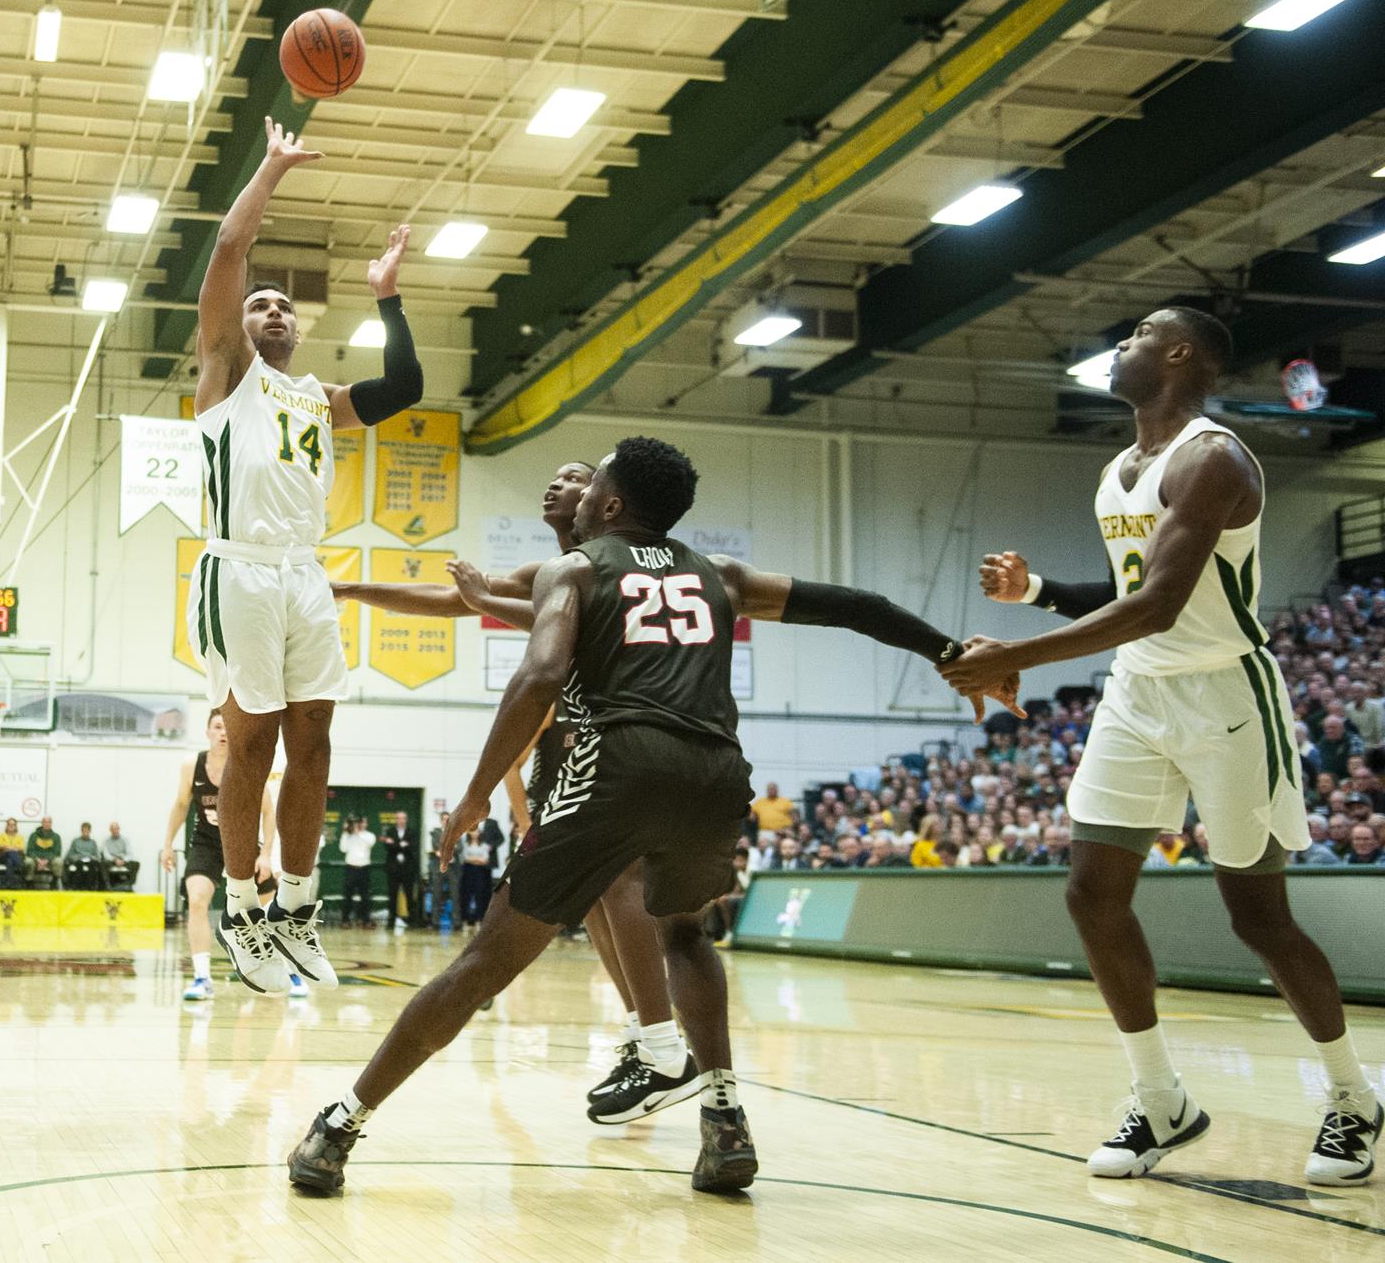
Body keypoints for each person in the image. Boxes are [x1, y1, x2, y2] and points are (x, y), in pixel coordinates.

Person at [289, 436, 1004, 1195]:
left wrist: (473, 795)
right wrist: (952, 651)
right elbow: (857, 607)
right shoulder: (721, 575)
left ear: (610, 503)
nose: (578, 487)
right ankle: (723, 1121)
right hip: (718, 773)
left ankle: (340, 1124)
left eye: (588, 480)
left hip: (620, 764)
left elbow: (538, 677)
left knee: (484, 962)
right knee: (688, 936)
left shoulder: (575, 568)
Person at [948, 307, 1382, 1185]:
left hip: (1226, 695)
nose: (1121, 345)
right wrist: (1034, 595)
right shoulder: (1120, 470)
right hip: (1137, 694)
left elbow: (1160, 605)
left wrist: (1013, 659)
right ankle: (1162, 1100)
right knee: (1089, 894)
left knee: (1258, 918)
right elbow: (1123, 596)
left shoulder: (1213, 459)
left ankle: (1351, 1099)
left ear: (1180, 354)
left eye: (1139, 334)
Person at [337, 460, 696, 1119]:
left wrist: (480, 601)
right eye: (552, 475)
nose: (556, 484)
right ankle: (646, 1041)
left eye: (575, 477)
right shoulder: (545, 573)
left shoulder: (623, 569)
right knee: (591, 908)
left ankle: (663, 1043)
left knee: (618, 884)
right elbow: (457, 602)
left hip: (622, 759)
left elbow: (505, 621)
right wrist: (349, 588)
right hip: (562, 765)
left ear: (608, 501)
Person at [188, 117, 425, 995]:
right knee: (248, 746)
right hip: (237, 567)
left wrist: (388, 297)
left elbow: (404, 391)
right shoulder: (224, 372)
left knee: (316, 741)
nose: (272, 310)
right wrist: (273, 167)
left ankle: (295, 906)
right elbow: (228, 245)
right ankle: (243, 914)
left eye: (284, 305)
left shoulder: (319, 399)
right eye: (260, 303)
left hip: (302, 572)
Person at [163, 709, 280, 1001]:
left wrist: (265, 854)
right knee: (197, 901)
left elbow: (268, 811)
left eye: (228, 727)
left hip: (242, 840)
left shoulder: (246, 765)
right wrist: (167, 844)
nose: (223, 732)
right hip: (206, 842)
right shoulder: (192, 765)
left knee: (266, 908)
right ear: (207, 732)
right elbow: (180, 805)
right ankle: (202, 978)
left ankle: (285, 968)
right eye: (217, 726)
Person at [378, 814, 422, 932]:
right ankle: (391, 920)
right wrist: (401, 844)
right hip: (393, 869)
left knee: (409, 894)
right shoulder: (390, 831)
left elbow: (412, 846)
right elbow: (388, 847)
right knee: (392, 895)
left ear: (406, 820)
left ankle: (412, 920)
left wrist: (395, 843)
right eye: (398, 818)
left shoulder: (412, 832)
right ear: (395, 820)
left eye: (403, 818)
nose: (400, 820)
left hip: (408, 868)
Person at [338, 818, 376, 927]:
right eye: (358, 823)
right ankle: (345, 920)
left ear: (366, 824)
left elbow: (369, 843)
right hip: (351, 868)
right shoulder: (348, 835)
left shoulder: (369, 835)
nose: (359, 825)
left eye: (362, 822)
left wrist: (358, 832)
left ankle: (366, 920)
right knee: (348, 895)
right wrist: (345, 832)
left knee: (365, 895)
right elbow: (343, 849)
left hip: (364, 868)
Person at [23, 818, 62, 888]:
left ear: (51, 824)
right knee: (28, 861)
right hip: (36, 860)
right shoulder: (34, 835)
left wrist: (46, 860)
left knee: (58, 861)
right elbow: (30, 850)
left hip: (49, 861)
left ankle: (54, 882)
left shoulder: (56, 836)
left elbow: (57, 852)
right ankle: (29, 883)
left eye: (49, 822)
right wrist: (38, 860)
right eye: (45, 822)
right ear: (42, 823)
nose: (47, 824)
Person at [66, 823, 103, 891]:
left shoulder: (93, 843)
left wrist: (90, 857)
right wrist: (79, 857)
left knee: (93, 865)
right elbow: (70, 855)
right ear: (81, 831)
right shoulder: (75, 841)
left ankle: (89, 887)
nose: (85, 833)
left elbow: (97, 857)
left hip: (90, 861)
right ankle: (77, 887)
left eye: (87, 831)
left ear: (89, 831)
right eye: (84, 831)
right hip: (78, 860)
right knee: (79, 864)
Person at [100, 822, 134, 890]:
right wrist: (115, 860)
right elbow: (106, 854)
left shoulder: (125, 840)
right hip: (112, 860)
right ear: (110, 830)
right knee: (102, 864)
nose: (114, 831)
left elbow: (130, 854)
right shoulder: (106, 841)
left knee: (136, 864)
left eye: (116, 829)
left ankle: (128, 885)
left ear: (119, 829)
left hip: (123, 859)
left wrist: (123, 860)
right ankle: (107, 886)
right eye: (112, 829)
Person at [0, 818, 29, 889]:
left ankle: (9, 883)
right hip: (3, 856)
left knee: (10, 861)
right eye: (9, 824)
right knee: (10, 853)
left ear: (16, 826)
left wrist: (8, 848)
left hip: (13, 857)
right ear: (6, 826)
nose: (11, 826)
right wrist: (13, 848)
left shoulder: (20, 837)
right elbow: (0, 845)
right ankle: (21, 865)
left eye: (13, 825)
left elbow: (21, 848)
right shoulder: (2, 835)